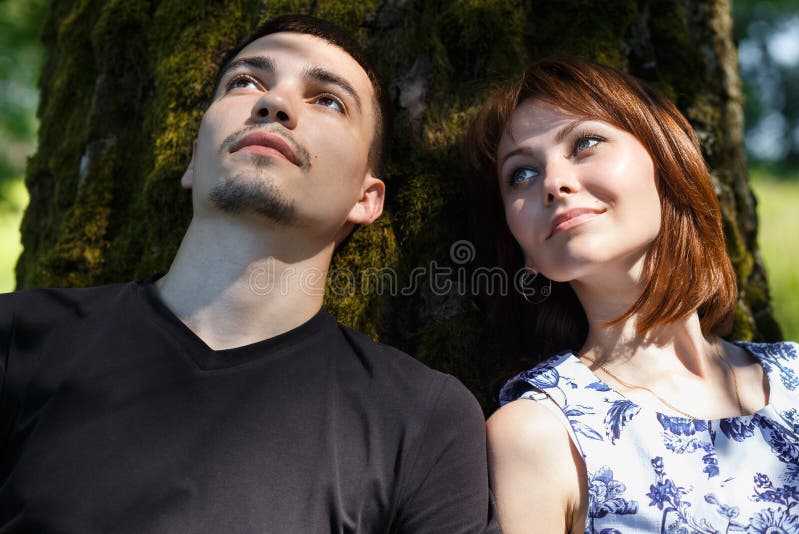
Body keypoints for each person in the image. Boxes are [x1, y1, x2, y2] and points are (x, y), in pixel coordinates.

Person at [0, 15, 499, 533]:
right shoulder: (21, 339)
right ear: (194, 160)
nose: (273, 104)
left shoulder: (421, 422)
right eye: (245, 82)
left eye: (328, 99)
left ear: (365, 198)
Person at [466, 56, 799, 533]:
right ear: (525, 253)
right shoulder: (540, 434)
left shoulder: (796, 378)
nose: (554, 183)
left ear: (667, 164)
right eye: (521, 174)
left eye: (585, 143)